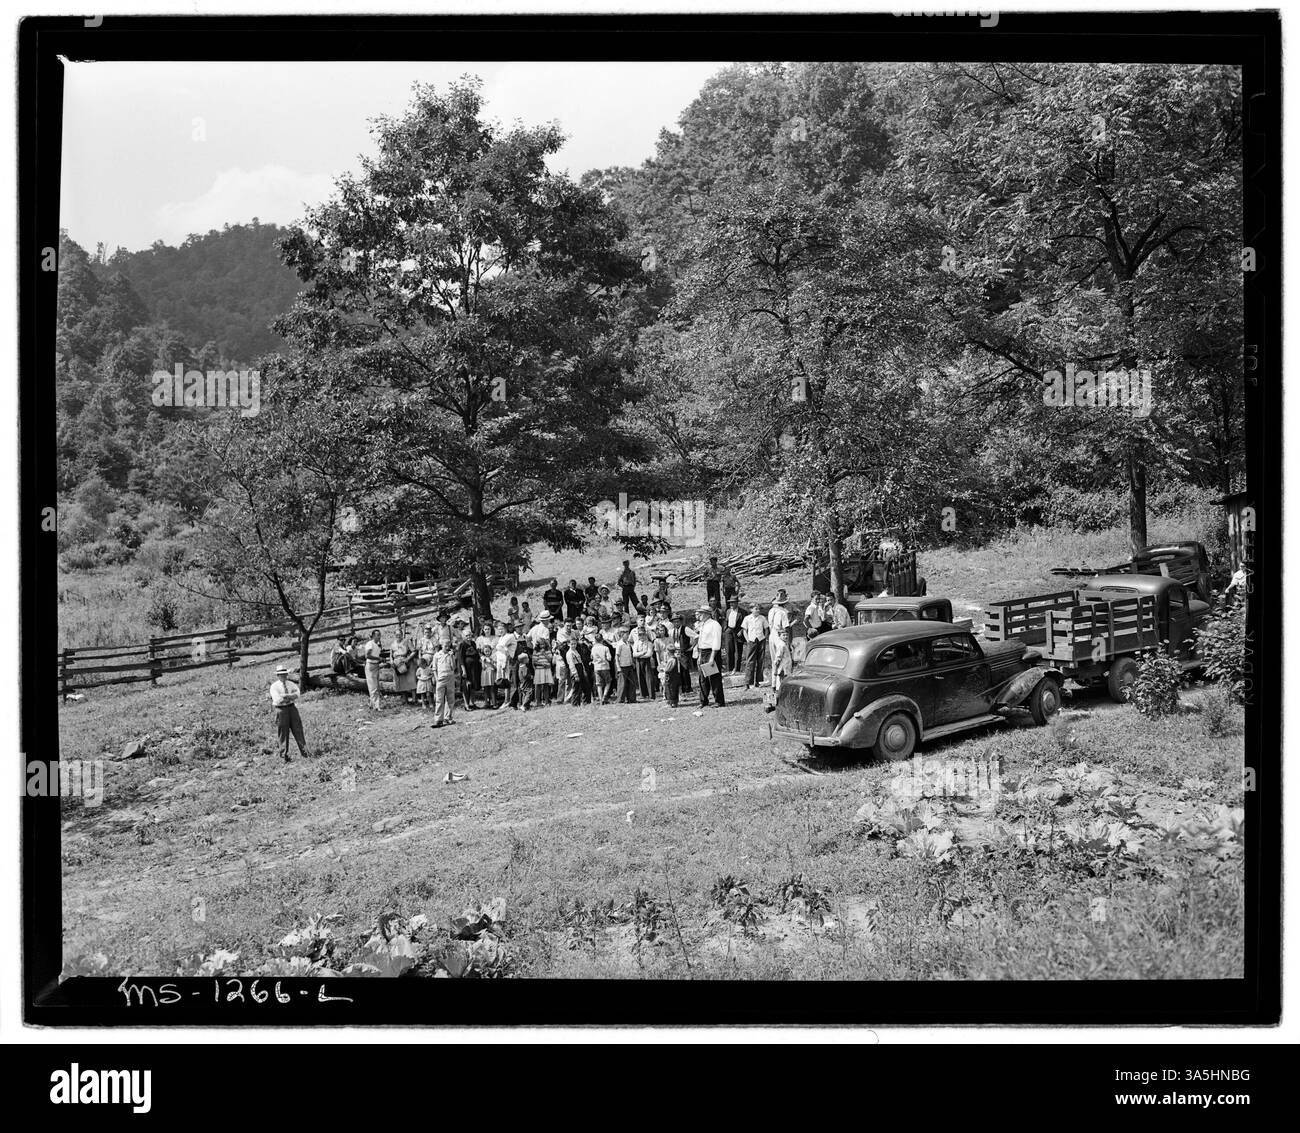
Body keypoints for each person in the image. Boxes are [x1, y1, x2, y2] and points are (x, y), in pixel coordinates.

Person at [269, 664, 308, 760]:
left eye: (285, 674)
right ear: (277, 676)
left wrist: (287, 696)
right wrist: (289, 696)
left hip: (291, 708)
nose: (283, 676)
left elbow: (297, 693)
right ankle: (284, 755)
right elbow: (277, 699)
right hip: (281, 710)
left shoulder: (291, 684)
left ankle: (305, 752)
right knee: (283, 732)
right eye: (281, 675)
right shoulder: (274, 686)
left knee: (298, 729)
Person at [695, 605, 725, 708]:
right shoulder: (702, 625)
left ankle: (719, 701)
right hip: (702, 652)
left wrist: (712, 657)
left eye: (702, 613)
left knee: (714, 678)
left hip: (711, 652)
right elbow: (700, 641)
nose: (700, 615)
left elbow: (716, 642)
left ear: (707, 614)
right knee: (702, 678)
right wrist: (699, 655)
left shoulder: (715, 625)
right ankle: (703, 700)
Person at [741, 604, 768, 690]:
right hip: (751, 641)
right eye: (756, 609)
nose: (758, 610)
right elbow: (744, 630)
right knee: (750, 661)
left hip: (760, 640)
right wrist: (748, 640)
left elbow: (766, 629)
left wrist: (765, 637)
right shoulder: (747, 618)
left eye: (759, 609)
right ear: (751, 609)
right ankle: (748, 682)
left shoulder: (762, 618)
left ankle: (758, 681)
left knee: (760, 661)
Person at [768, 590, 791, 687]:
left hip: (772, 635)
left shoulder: (771, 611)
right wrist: (788, 641)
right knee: (782, 660)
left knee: (774, 660)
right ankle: (780, 683)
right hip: (779, 636)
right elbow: (786, 627)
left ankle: (773, 683)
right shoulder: (783, 612)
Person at [390, 623, 418, 705]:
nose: (398, 636)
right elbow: (391, 654)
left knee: (411, 680)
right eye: (396, 634)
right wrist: (391, 661)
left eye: (400, 634)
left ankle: (414, 699)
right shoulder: (393, 644)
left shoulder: (407, 641)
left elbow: (414, 651)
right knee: (401, 681)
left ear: (402, 634)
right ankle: (404, 699)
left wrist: (408, 659)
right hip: (397, 663)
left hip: (406, 662)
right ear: (395, 635)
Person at [631, 615, 657, 698]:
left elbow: (649, 652)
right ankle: (643, 694)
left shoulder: (648, 630)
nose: (641, 636)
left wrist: (643, 653)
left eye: (643, 620)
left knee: (649, 677)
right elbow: (634, 653)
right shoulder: (633, 632)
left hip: (647, 659)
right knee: (640, 677)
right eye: (640, 620)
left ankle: (651, 693)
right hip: (639, 658)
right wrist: (642, 653)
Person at [433, 641, 457, 726]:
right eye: (445, 646)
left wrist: (451, 656)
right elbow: (434, 668)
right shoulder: (437, 655)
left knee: (450, 698)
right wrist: (436, 679)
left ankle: (448, 717)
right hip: (441, 678)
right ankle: (438, 719)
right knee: (439, 699)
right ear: (441, 646)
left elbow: (453, 667)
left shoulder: (451, 655)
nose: (447, 647)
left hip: (450, 677)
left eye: (448, 646)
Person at [477, 621, 499, 710]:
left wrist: (493, 658)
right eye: (485, 629)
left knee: (493, 684)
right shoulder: (480, 639)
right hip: (484, 662)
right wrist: (482, 658)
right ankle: (487, 702)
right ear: (483, 630)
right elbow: (478, 651)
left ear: (491, 629)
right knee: (486, 685)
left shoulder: (495, 638)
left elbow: (497, 650)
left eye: (489, 629)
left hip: (493, 661)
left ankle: (494, 701)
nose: (487, 631)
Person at [723, 596, 745, 673]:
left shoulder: (742, 612)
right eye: (730, 603)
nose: (731, 604)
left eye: (733, 603)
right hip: (729, 631)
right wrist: (725, 629)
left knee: (738, 651)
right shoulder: (728, 611)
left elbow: (746, 623)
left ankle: (737, 669)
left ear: (737, 603)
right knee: (729, 650)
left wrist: (742, 630)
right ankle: (729, 669)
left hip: (738, 631)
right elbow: (726, 620)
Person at [363, 629, 384, 710]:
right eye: (377, 635)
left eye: (380, 635)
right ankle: (376, 706)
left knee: (376, 686)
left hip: (376, 665)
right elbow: (367, 656)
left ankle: (372, 704)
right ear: (373, 636)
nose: (379, 636)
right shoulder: (370, 644)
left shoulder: (377, 644)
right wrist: (379, 658)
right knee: (373, 687)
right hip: (370, 666)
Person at [591, 635, 614, 704]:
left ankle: (601, 699)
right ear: (602, 640)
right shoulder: (605, 648)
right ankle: (604, 696)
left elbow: (592, 657)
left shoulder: (593, 648)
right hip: (605, 667)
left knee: (599, 684)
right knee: (608, 682)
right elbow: (609, 658)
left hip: (597, 667)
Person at [615, 630, 637, 703]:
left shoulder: (628, 643)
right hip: (622, 666)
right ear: (622, 635)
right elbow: (617, 656)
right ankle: (620, 699)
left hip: (629, 665)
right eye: (626, 635)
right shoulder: (619, 644)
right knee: (622, 683)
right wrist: (618, 667)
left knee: (631, 683)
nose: (627, 636)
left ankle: (631, 698)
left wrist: (632, 662)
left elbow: (630, 654)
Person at [532, 640, 553, 707]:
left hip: (546, 669)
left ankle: (546, 701)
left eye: (543, 644)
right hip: (539, 669)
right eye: (541, 645)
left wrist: (544, 654)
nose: (542, 646)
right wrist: (541, 664)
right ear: (538, 645)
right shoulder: (536, 651)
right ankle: (538, 702)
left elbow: (550, 659)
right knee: (538, 686)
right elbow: (534, 661)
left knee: (546, 685)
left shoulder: (548, 651)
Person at [662, 642, 682, 708]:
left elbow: (667, 669)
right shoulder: (676, 659)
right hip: (676, 677)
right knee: (674, 689)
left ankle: (671, 703)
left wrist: (662, 668)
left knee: (670, 690)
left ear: (668, 652)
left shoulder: (671, 660)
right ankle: (675, 702)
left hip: (670, 678)